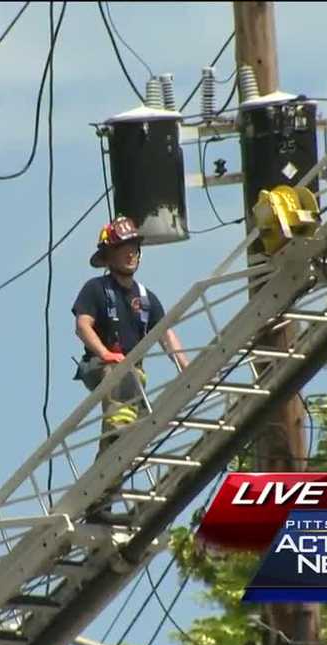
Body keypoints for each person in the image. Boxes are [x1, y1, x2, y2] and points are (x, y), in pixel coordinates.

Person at [72, 216, 188, 524]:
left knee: (118, 445)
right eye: (124, 247)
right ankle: (119, 434)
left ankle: (99, 503)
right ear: (109, 255)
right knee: (120, 424)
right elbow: (82, 325)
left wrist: (185, 367)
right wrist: (106, 353)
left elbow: (166, 334)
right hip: (103, 367)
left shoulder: (146, 297)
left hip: (133, 377)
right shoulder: (96, 289)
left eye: (134, 247)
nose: (131, 253)